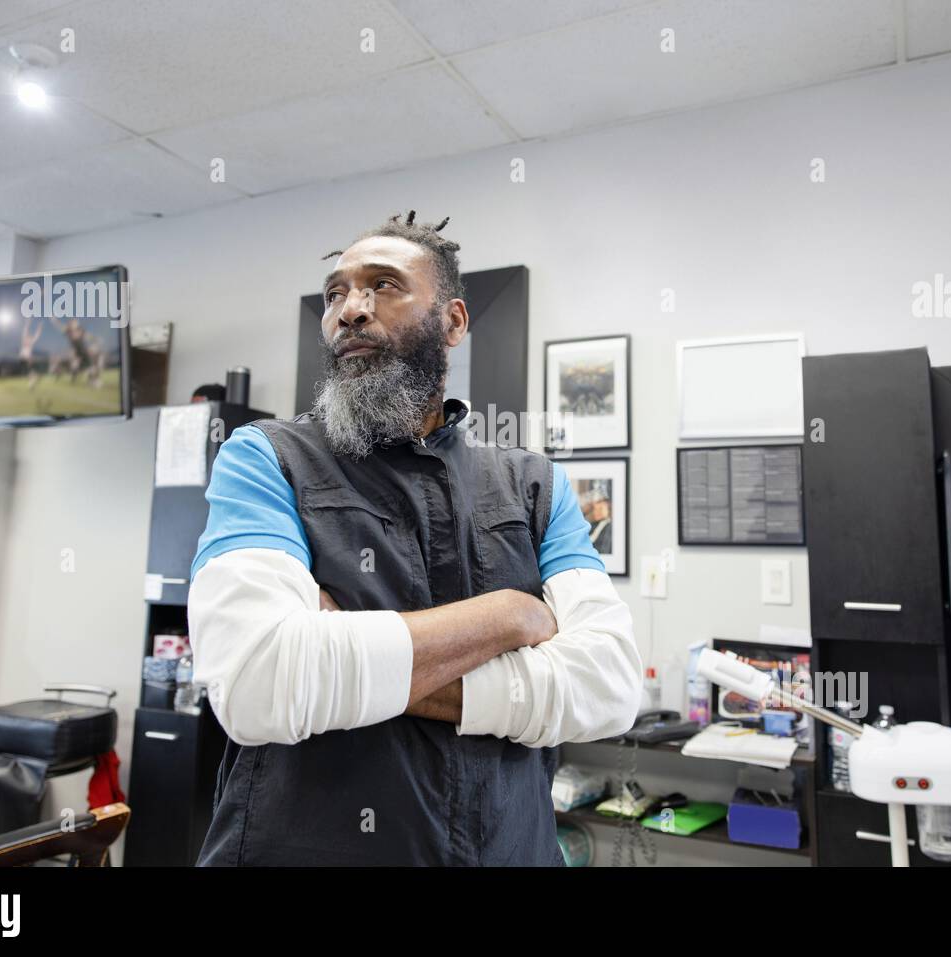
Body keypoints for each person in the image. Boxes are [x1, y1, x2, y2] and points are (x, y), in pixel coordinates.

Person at [189, 211, 641, 865]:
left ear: (454, 321)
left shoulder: (534, 484)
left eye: (383, 285)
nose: (350, 309)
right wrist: (505, 616)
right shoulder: (266, 458)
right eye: (336, 293)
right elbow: (259, 682)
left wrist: (346, 664)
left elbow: (610, 685)